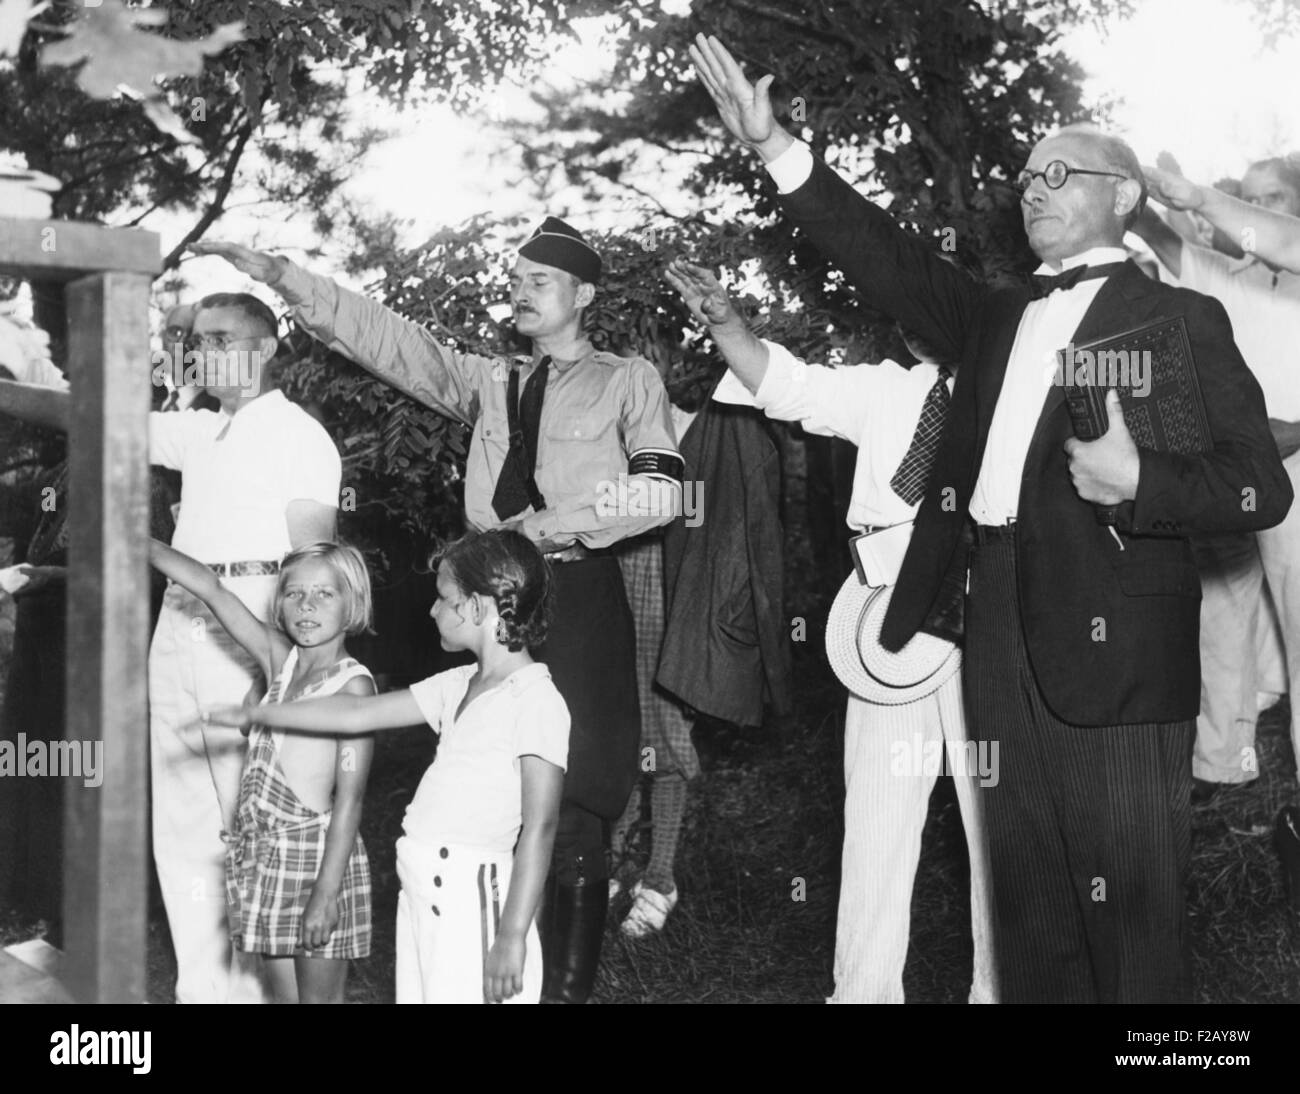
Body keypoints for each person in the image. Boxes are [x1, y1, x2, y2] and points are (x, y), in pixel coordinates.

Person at [691, 33, 1292, 1002]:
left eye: (1062, 171)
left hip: (1119, 649)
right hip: (992, 629)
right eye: (1027, 174)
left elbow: (1259, 483)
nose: (1034, 186)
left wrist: (1140, 480)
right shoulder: (999, 318)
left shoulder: (1176, 323)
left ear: (1125, 194)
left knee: (1130, 933)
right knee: (1027, 924)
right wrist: (776, 151)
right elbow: (882, 257)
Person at [192, 219, 681, 1003]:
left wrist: (538, 527)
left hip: (577, 590)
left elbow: (661, 492)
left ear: (583, 295)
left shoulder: (628, 381)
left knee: (577, 790)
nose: (519, 291)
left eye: (539, 281)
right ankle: (473, 962)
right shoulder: (491, 381)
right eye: (515, 277)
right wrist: (282, 274)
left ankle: (563, 992)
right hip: (489, 602)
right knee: (480, 780)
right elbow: (387, 341)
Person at [665, 259, 997, 1003]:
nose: (917, 326)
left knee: (993, 818)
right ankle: (863, 992)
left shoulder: (1009, 394)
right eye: (907, 312)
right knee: (878, 813)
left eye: (932, 309)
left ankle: (999, 990)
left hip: (981, 610)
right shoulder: (883, 386)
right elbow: (789, 386)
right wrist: (726, 323)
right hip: (885, 616)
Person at [0, 291, 343, 1003]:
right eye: (196, 339)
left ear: (269, 348)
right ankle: (207, 993)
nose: (203, 351)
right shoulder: (200, 431)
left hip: (252, 622)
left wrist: (294, 655)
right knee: (183, 827)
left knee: (253, 821)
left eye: (222, 338)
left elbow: (316, 560)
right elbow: (86, 414)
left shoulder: (299, 435)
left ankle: (266, 990)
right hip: (180, 618)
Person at [207, 529, 567, 1004]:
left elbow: (540, 827)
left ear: (477, 608)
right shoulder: (458, 683)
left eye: (443, 599)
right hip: (420, 895)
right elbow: (354, 713)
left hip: (473, 899)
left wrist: (512, 934)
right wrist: (261, 714)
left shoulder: (536, 701)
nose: (432, 610)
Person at [1136, 158, 1300, 804]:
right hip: (1235, 464)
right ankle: (1224, 762)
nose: (1258, 209)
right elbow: (1169, 245)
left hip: (1294, 467)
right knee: (1222, 607)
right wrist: (1135, 193)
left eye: (1274, 198)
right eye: (1251, 197)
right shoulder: (1230, 277)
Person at [148, 537, 375, 1003]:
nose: (306, 605)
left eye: (324, 594)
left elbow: (350, 800)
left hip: (320, 863)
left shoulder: (353, 688)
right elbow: (213, 590)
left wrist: (327, 893)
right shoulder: (281, 664)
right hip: (269, 862)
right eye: (293, 594)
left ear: (352, 604)